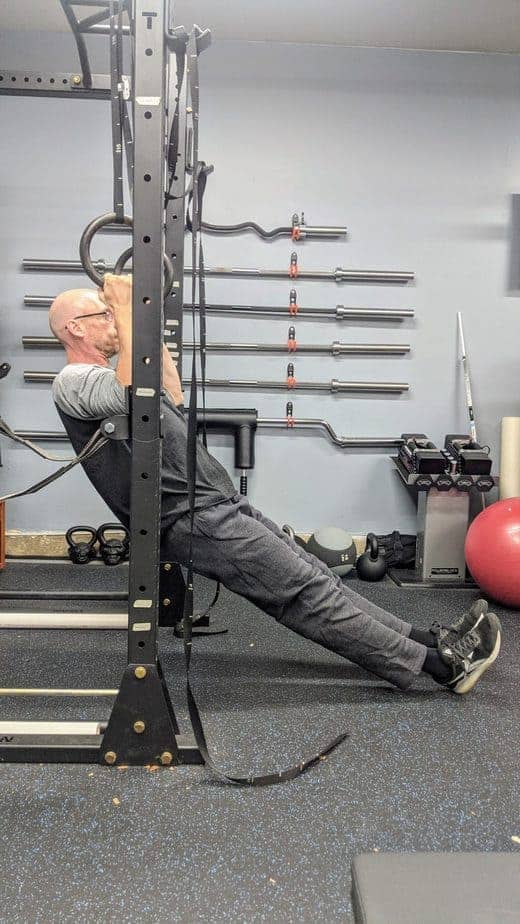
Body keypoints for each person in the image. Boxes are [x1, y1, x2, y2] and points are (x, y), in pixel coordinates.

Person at [48, 275, 501, 695]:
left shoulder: (111, 372)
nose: (111, 322)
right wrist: (125, 310)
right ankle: (443, 668)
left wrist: (140, 317)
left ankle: (425, 640)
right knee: (304, 594)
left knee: (317, 576)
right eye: (101, 315)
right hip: (189, 518)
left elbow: (168, 390)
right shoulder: (74, 383)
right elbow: (138, 400)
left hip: (213, 501)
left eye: (111, 314)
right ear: (75, 328)